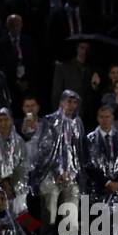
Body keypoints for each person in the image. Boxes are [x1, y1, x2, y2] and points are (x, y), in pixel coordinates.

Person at [35, 90, 85, 227]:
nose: (72, 105)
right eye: (69, 101)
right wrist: (59, 171)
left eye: (75, 102)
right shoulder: (49, 120)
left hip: (71, 176)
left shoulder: (78, 123)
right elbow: (46, 150)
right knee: (50, 211)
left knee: (71, 216)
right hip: (50, 175)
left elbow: (78, 152)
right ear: (61, 102)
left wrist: (72, 173)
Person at [82, 103, 118, 200]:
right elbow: (89, 166)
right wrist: (107, 183)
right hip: (97, 189)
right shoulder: (89, 140)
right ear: (97, 118)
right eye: (101, 117)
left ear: (112, 117)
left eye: (107, 117)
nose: (105, 120)